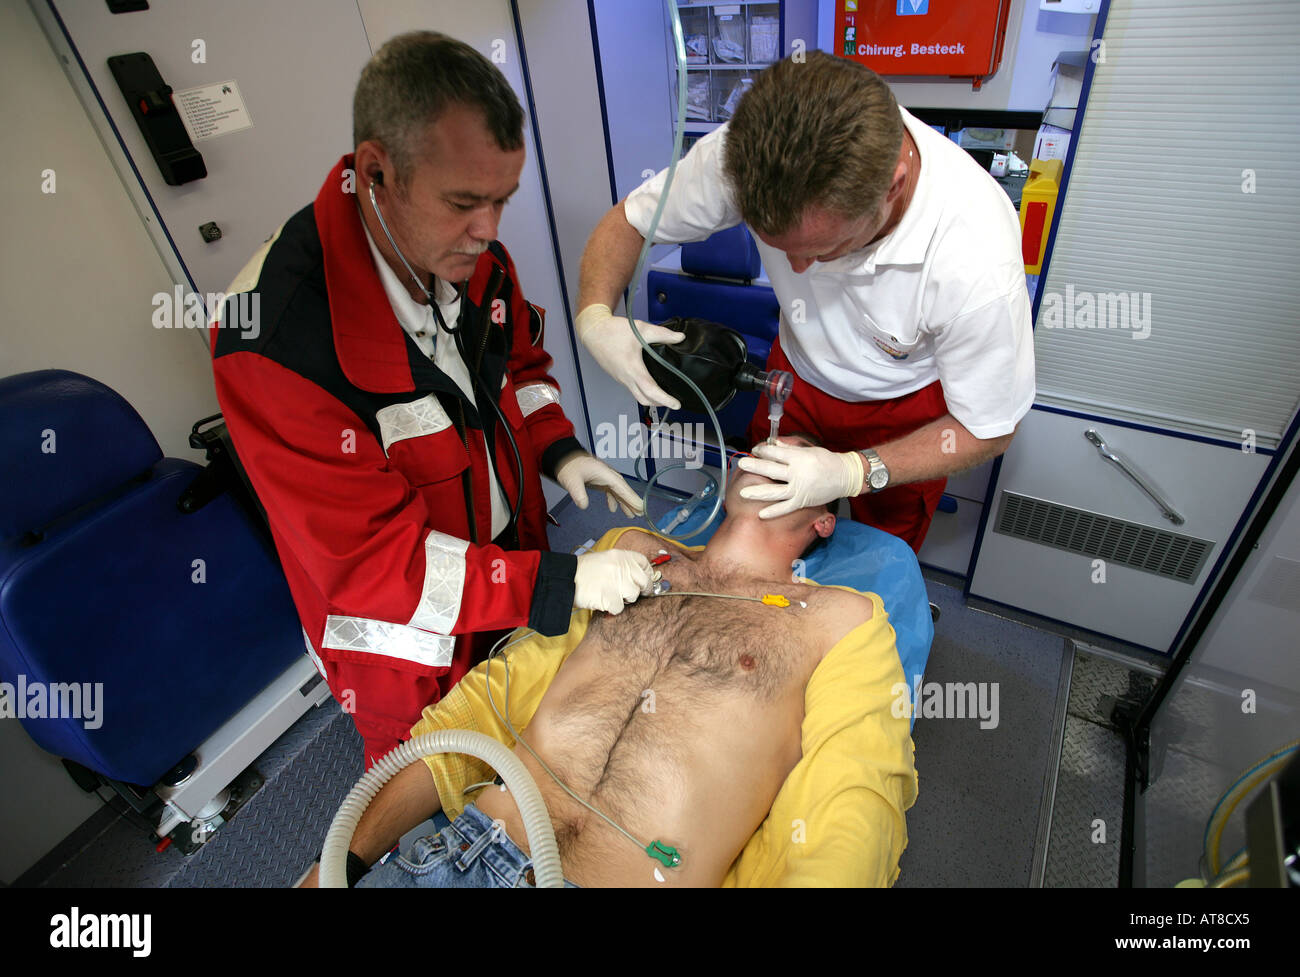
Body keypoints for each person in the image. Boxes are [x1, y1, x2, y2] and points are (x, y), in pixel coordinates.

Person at [209, 32, 654, 767]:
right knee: (447, 797)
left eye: (503, 201)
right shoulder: (277, 347)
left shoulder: (468, 258)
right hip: (413, 649)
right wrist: (560, 581)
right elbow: (381, 567)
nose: (490, 231)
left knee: (547, 752)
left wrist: (559, 448)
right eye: (465, 202)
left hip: (511, 574)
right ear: (377, 172)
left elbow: (522, 368)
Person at [298, 435, 917, 888]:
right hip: (460, 858)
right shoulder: (630, 555)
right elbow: (483, 707)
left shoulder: (842, 620)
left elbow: (853, 808)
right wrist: (338, 864)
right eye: (768, 443)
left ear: (825, 516)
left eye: (801, 453)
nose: (777, 447)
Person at [575, 51, 1035, 552]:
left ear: (892, 188)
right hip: (792, 379)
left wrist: (855, 471)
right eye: (778, 246)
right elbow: (630, 223)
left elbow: (987, 428)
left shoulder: (974, 256)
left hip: (903, 406)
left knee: (876, 556)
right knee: (759, 523)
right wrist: (595, 314)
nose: (796, 271)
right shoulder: (738, 155)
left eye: (822, 251)